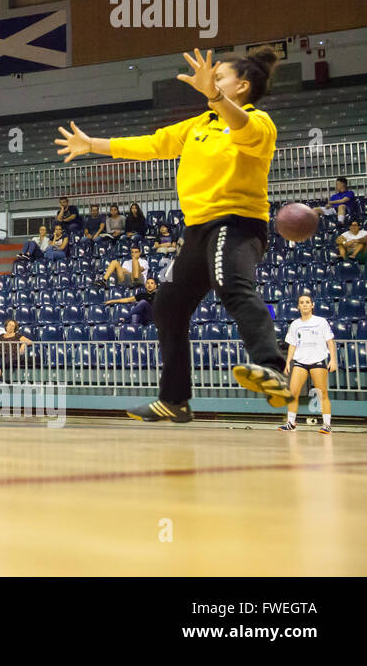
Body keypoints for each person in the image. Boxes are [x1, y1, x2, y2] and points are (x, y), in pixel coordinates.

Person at [56, 46, 294, 422]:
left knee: (230, 283)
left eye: (220, 78)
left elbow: (243, 130)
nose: (212, 84)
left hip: (236, 223)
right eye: (212, 81)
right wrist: (92, 145)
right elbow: (152, 144)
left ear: (243, 86)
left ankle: (272, 367)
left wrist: (214, 96)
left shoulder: (258, 122)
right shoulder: (198, 126)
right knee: (167, 304)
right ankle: (175, 400)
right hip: (198, 229)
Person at [280, 294, 336, 433]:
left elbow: (330, 342)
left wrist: (333, 360)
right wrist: (288, 362)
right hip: (300, 362)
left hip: (317, 361)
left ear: (312, 305)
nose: (304, 304)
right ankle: (291, 423)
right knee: (293, 392)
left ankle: (327, 425)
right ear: (298, 306)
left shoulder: (321, 321)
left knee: (322, 393)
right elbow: (292, 345)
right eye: (301, 302)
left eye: (307, 302)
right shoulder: (295, 324)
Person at [0, 319, 32, 384]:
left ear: (15, 327)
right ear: (6, 326)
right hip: (1, 355)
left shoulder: (17, 336)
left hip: (13, 355)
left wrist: (23, 344)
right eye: (9, 325)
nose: (10, 327)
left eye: (12, 326)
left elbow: (30, 342)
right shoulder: (1, 336)